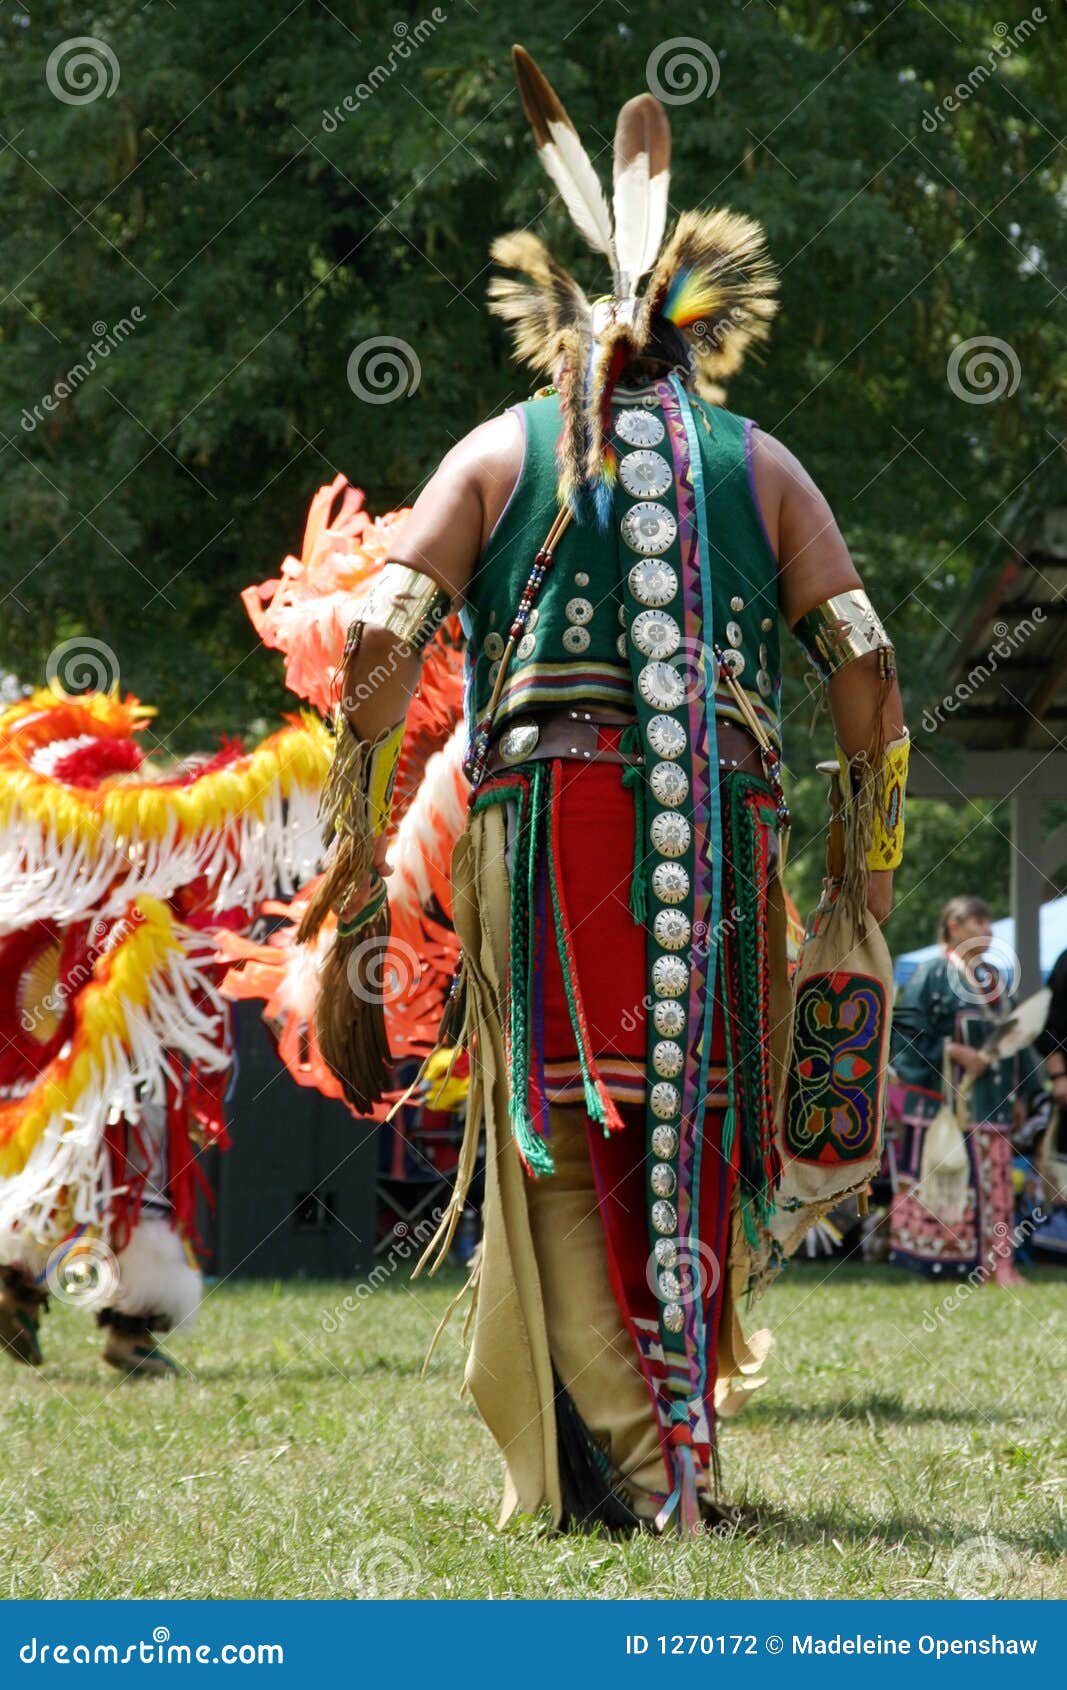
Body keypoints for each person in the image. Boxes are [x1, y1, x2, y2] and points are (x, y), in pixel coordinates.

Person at [302, 48, 908, 1533]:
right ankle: (667, 1454)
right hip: (724, 812)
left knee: (563, 1134)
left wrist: (354, 846)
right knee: (695, 1126)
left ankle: (647, 1475)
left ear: (562, 344)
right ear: (689, 342)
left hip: (555, 818)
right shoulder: (759, 463)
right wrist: (865, 876)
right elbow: (869, 671)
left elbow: (381, 640)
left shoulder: (498, 451)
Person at [888, 895, 1045, 1285]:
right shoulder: (932, 975)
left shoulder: (992, 980)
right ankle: (953, 1263)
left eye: (989, 922)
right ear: (954, 927)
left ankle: (997, 1264)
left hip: (995, 1105)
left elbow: (1013, 1038)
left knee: (998, 1187)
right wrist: (953, 1050)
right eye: (977, 922)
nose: (987, 930)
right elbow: (904, 1036)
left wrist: (1023, 1092)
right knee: (956, 1183)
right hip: (949, 1106)